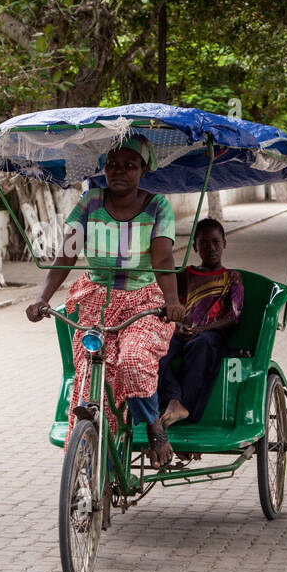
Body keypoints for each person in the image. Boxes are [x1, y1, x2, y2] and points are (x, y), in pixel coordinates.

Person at [26, 135, 186, 467]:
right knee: (89, 383)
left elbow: (164, 259)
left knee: (132, 361)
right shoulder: (90, 202)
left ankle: (155, 428)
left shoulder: (157, 206)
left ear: (143, 170)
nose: (119, 171)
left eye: (129, 166)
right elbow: (67, 254)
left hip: (143, 301)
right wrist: (42, 298)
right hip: (97, 303)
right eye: (113, 164)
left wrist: (172, 301)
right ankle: (92, 476)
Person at [157, 218, 244, 428]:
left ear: (224, 243)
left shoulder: (232, 277)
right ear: (195, 246)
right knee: (157, 350)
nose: (211, 248)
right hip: (181, 332)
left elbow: (234, 316)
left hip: (211, 335)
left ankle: (185, 413)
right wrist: (178, 326)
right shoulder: (184, 275)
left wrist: (201, 329)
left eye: (215, 242)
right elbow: (171, 304)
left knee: (201, 344)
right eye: (204, 243)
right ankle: (174, 401)